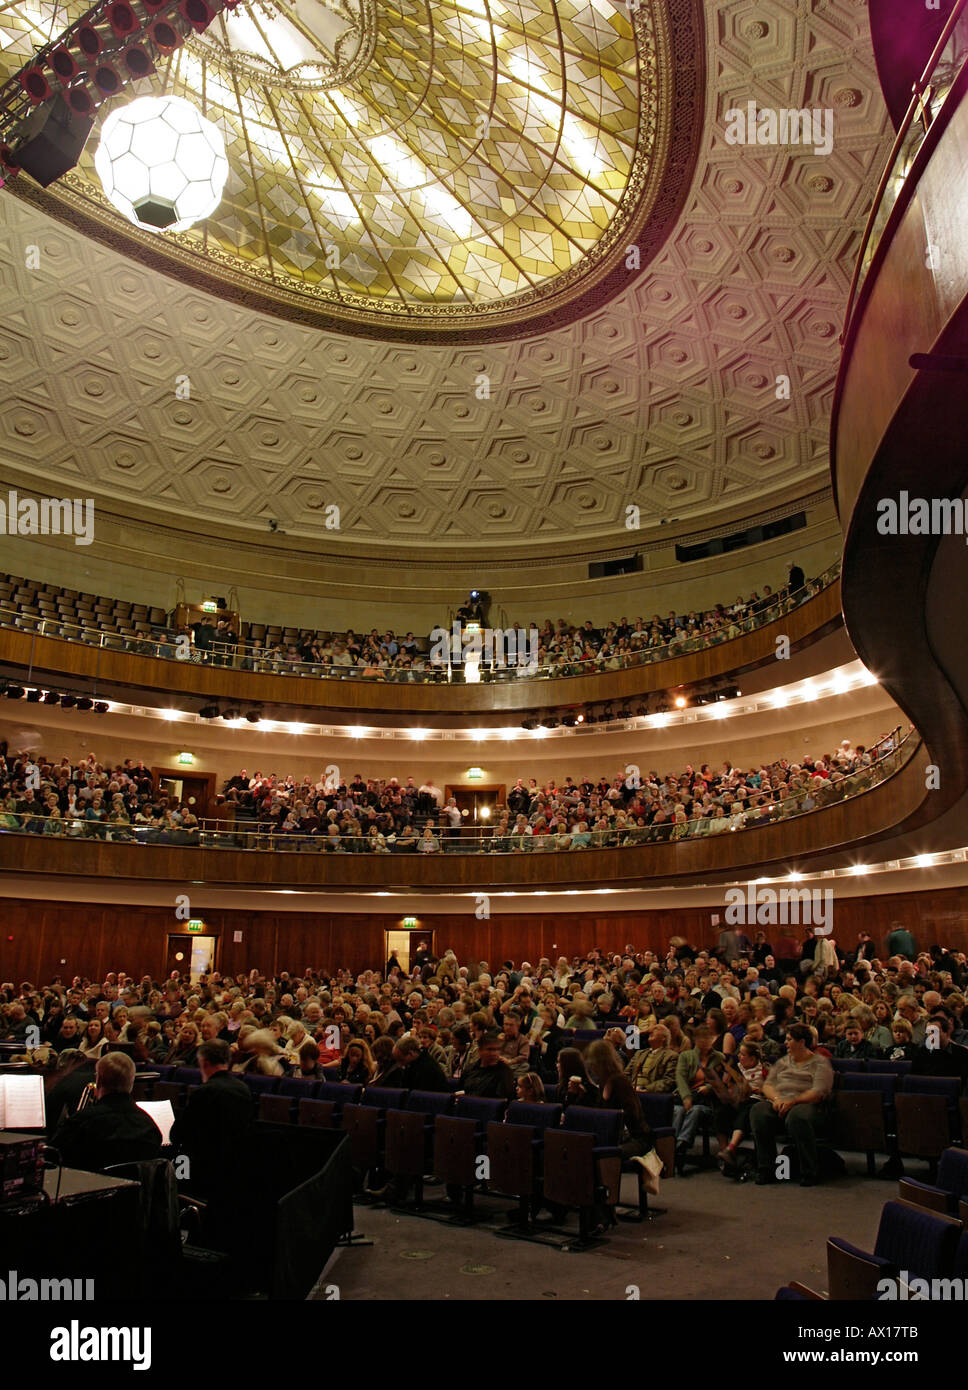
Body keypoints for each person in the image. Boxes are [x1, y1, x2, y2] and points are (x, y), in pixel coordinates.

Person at [750, 1024, 834, 1186]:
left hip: (809, 1105)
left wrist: (793, 1101)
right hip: (781, 1103)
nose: (785, 1043)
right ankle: (766, 1168)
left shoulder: (820, 1063)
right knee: (758, 1111)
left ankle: (809, 1171)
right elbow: (767, 1085)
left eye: (789, 1040)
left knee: (797, 1116)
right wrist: (776, 1099)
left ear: (802, 1042)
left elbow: (818, 1092)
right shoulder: (783, 1062)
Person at [51, 1051, 163, 1172]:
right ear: (131, 1083)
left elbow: (52, 1158)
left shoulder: (81, 1122)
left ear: (98, 1081)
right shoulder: (150, 1127)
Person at [673, 1025, 724, 1174]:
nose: (705, 1042)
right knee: (679, 1110)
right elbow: (680, 1078)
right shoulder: (686, 1056)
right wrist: (686, 1097)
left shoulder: (719, 1058)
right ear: (695, 1040)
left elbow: (721, 1081)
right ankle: (673, 1146)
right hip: (686, 1097)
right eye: (702, 1038)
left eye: (708, 1038)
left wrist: (709, 1087)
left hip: (706, 1101)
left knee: (696, 1111)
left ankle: (681, 1144)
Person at [461, 1030, 516, 1101]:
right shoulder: (469, 1069)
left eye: (497, 1049)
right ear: (480, 1051)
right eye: (490, 1049)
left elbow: (502, 1101)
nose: (494, 1053)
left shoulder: (505, 1072)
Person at [627, 1024, 678, 1093]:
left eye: (656, 1029)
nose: (651, 1032)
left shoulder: (671, 1056)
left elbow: (669, 1080)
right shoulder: (639, 1053)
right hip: (631, 1090)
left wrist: (645, 1089)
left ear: (664, 1038)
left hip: (650, 1093)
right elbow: (626, 1074)